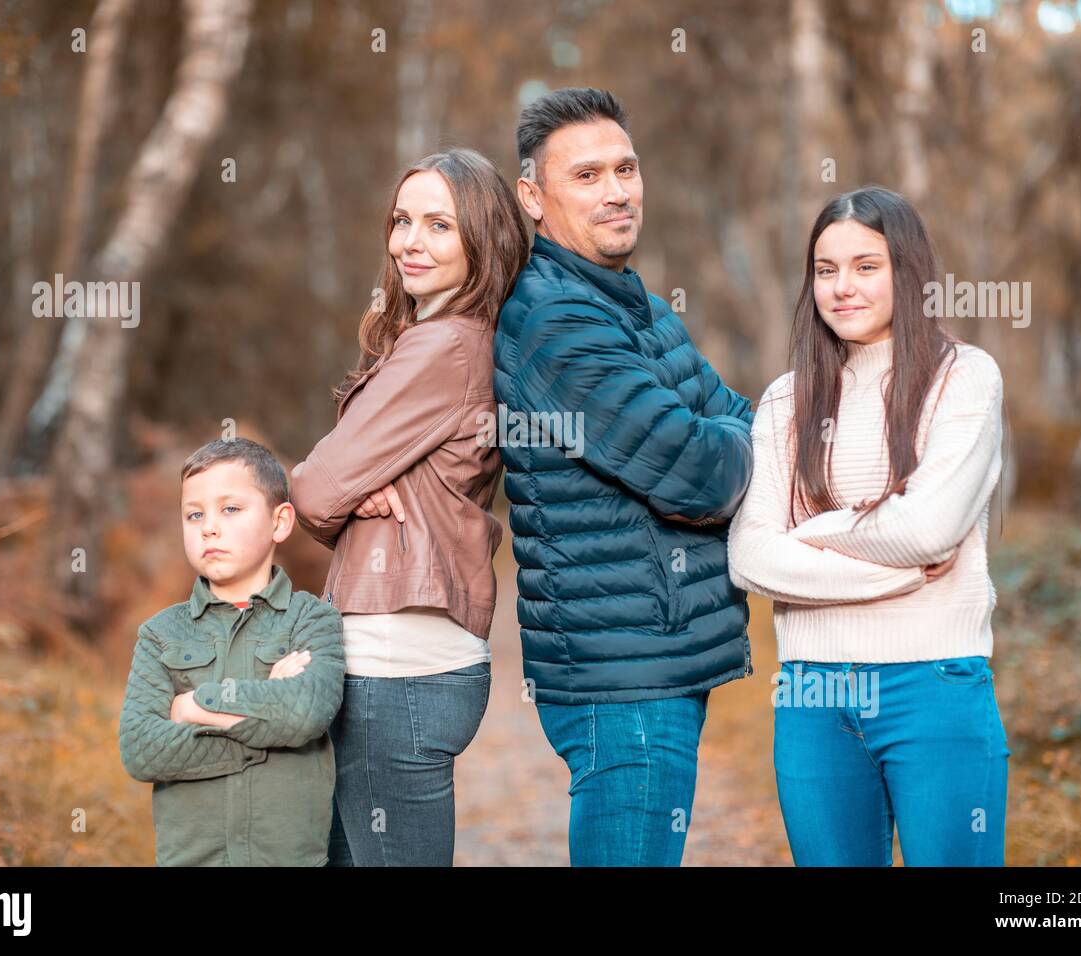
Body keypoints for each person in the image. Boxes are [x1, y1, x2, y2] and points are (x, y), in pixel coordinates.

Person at [492, 87, 755, 866]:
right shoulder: (554, 318)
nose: (617, 190)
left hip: (658, 659)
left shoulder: (630, 303)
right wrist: (730, 441)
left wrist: (729, 435)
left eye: (626, 168)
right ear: (533, 198)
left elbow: (738, 415)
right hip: (623, 679)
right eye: (587, 175)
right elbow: (702, 470)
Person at [727, 185, 1010, 866]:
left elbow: (933, 527)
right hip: (811, 695)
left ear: (905, 273)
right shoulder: (785, 399)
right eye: (826, 271)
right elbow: (749, 557)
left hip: (933, 686)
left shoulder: (964, 377)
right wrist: (902, 566)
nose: (842, 287)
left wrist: (806, 532)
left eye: (865, 266)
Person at [290, 147, 529, 866]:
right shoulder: (446, 342)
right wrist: (352, 486)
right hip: (396, 665)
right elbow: (334, 489)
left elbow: (311, 490)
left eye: (439, 226)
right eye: (402, 221)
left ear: (482, 242)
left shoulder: (443, 348)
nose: (409, 242)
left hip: (400, 671)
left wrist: (340, 483)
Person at [118, 437, 345, 866]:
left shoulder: (312, 620)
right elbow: (140, 748)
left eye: (230, 509)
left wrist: (194, 706)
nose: (208, 527)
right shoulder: (161, 634)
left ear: (280, 522)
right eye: (194, 514)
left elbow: (305, 714)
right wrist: (265, 715)